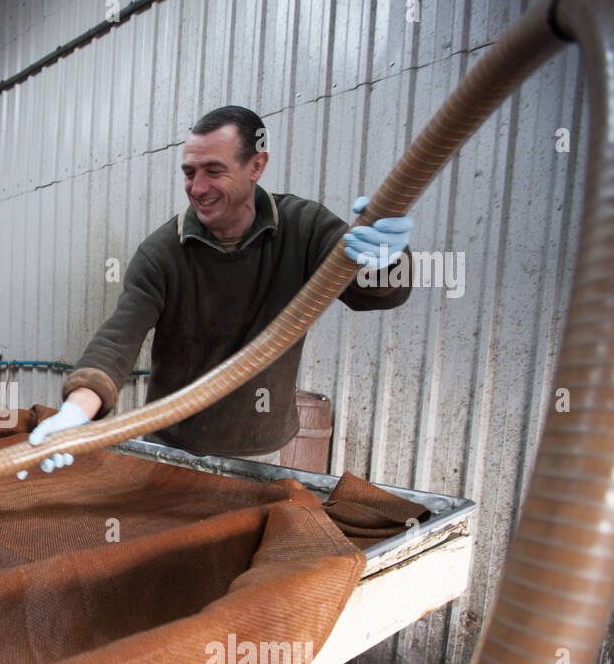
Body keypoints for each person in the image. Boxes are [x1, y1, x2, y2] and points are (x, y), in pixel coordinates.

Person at [27, 105, 415, 469]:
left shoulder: (304, 227)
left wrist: (384, 260)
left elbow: (373, 293)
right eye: (189, 172)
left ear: (256, 166)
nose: (197, 188)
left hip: (262, 450)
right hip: (170, 445)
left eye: (213, 170)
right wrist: (77, 411)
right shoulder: (163, 252)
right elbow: (118, 338)